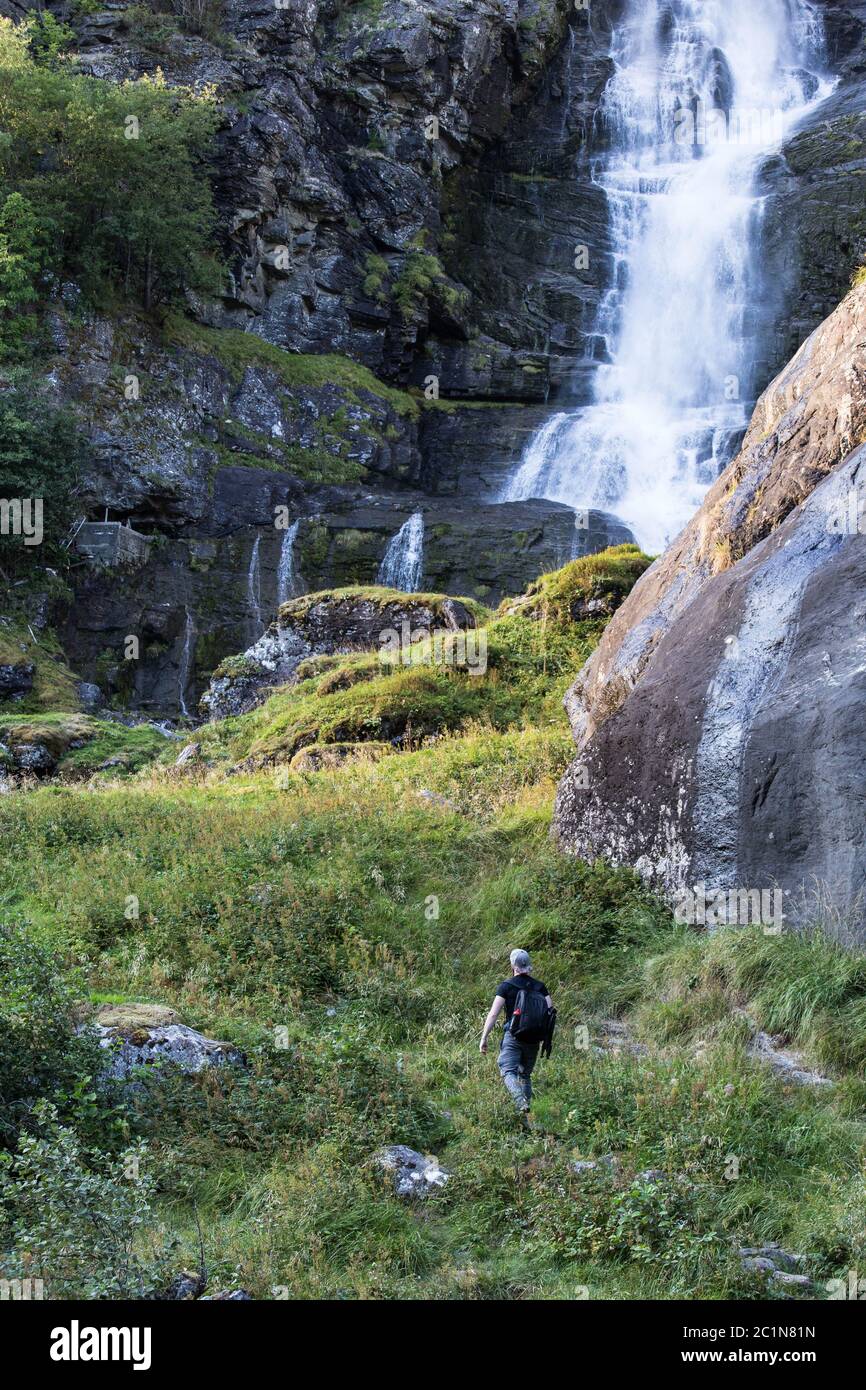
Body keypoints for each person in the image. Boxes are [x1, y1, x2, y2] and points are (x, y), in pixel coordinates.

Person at [479, 949, 554, 1114]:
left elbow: (493, 1014)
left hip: (513, 1036)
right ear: (528, 964)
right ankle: (526, 1118)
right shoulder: (540, 987)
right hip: (533, 1040)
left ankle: (521, 1104)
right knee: (525, 1075)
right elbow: (550, 1013)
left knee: (507, 1070)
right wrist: (545, 1040)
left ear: (513, 965)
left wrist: (484, 1037)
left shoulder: (507, 986)